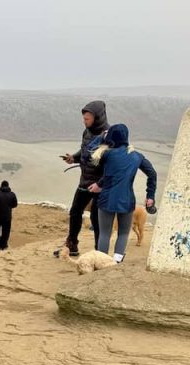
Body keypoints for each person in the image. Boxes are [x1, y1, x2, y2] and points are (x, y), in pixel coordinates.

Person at [88, 124, 157, 263]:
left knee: (105, 234)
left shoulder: (106, 154)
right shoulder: (137, 156)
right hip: (127, 200)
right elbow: (152, 174)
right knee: (123, 233)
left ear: (111, 136)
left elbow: (89, 150)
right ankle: (117, 261)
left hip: (106, 199)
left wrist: (101, 137)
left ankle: (102, 262)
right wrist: (150, 196)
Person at [61, 100, 109, 256]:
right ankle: (72, 244)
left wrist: (101, 183)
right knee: (75, 211)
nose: (84, 121)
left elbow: (111, 160)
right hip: (85, 181)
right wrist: (73, 158)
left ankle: (98, 251)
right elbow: (84, 151)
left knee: (96, 218)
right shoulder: (86, 132)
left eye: (87, 119)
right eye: (84, 118)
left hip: (100, 184)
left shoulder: (109, 134)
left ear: (98, 117)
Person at [0, 180, 18, 250]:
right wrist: (8, 206)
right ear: (8, 186)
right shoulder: (12, 194)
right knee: (6, 231)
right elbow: (15, 205)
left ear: (1, 186)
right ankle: (3, 244)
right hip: (7, 216)